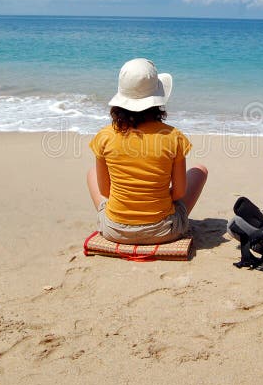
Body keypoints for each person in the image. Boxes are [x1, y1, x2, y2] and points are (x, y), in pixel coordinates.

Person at [87, 58, 208, 245]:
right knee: (200, 170)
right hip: (163, 231)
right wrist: (154, 193)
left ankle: (119, 217)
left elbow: (105, 190)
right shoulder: (173, 137)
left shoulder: (105, 136)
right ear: (157, 102)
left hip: (115, 230)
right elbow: (178, 193)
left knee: (91, 173)